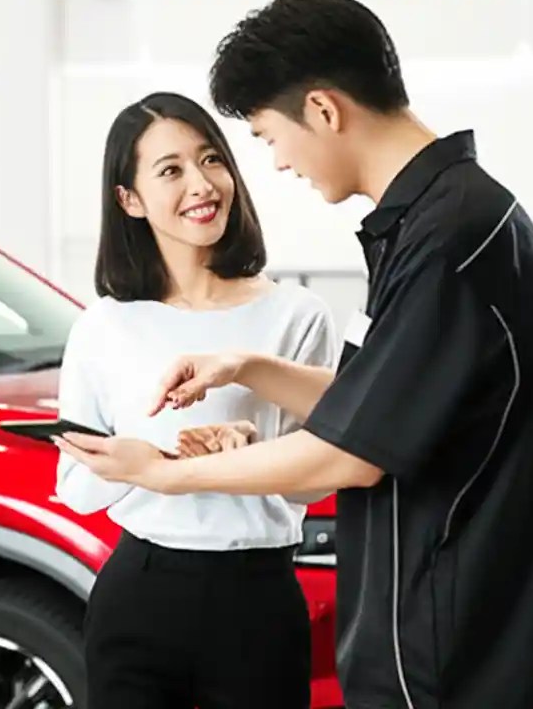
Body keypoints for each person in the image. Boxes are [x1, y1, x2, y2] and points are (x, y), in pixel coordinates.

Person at [54, 0, 533, 709]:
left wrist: (167, 474)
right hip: (425, 630)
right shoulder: (434, 227)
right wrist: (247, 368)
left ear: (322, 111)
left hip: (443, 644)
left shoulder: (450, 239)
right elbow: (378, 407)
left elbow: (349, 452)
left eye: (262, 138)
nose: (278, 163)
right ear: (128, 199)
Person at [54, 90, 337, 709]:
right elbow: (74, 487)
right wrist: (146, 460)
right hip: (140, 595)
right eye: (170, 170)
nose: (202, 184)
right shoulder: (104, 326)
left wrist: (256, 452)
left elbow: (314, 483)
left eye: (211, 160)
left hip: (257, 599)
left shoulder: (296, 316)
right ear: (128, 199)